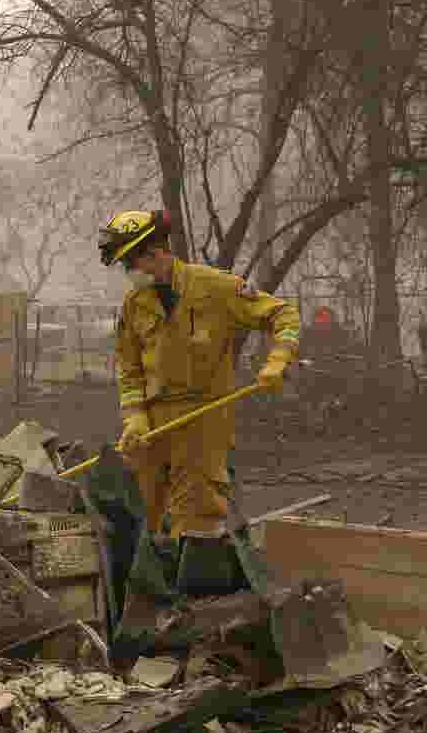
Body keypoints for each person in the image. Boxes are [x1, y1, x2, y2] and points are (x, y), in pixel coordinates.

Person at [101, 209, 301, 596]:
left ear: (155, 252)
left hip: (204, 417)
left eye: (130, 261)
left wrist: (277, 361)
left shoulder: (215, 287)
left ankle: (197, 608)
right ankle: (145, 605)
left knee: (197, 515)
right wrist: (135, 420)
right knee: (139, 514)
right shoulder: (134, 305)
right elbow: (128, 371)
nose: (129, 271)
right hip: (153, 427)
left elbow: (283, 314)